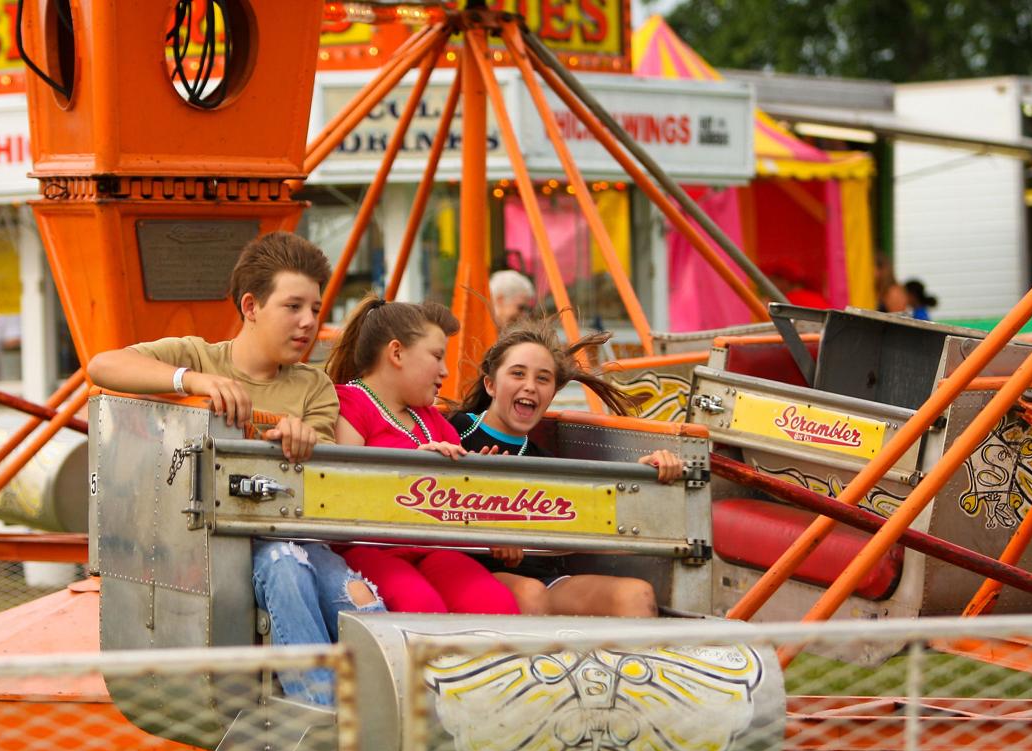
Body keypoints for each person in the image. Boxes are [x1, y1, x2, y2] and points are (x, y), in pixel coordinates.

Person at [87, 231, 384, 705]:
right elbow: (103, 366)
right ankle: (321, 717)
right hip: (213, 547)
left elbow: (325, 481)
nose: (309, 322)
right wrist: (192, 381)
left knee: (356, 593)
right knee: (287, 569)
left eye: (315, 308)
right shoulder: (200, 356)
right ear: (251, 306)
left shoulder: (314, 387)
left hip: (289, 534)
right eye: (293, 307)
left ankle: (389, 715)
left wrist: (307, 442)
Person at [451, 317, 683, 618]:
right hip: (473, 572)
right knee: (531, 595)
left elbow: (596, 504)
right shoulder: (454, 432)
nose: (530, 387)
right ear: (491, 384)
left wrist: (646, 472)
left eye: (543, 379)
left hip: (542, 579)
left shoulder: (545, 463)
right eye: (518, 374)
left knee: (636, 595)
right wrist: (486, 529)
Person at [326, 294, 521, 615]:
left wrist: (491, 508)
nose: (445, 371)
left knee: (494, 603)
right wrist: (413, 468)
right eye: (436, 356)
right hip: (370, 546)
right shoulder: (350, 403)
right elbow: (343, 489)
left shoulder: (433, 422)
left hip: (431, 546)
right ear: (397, 352)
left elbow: (456, 500)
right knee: (420, 606)